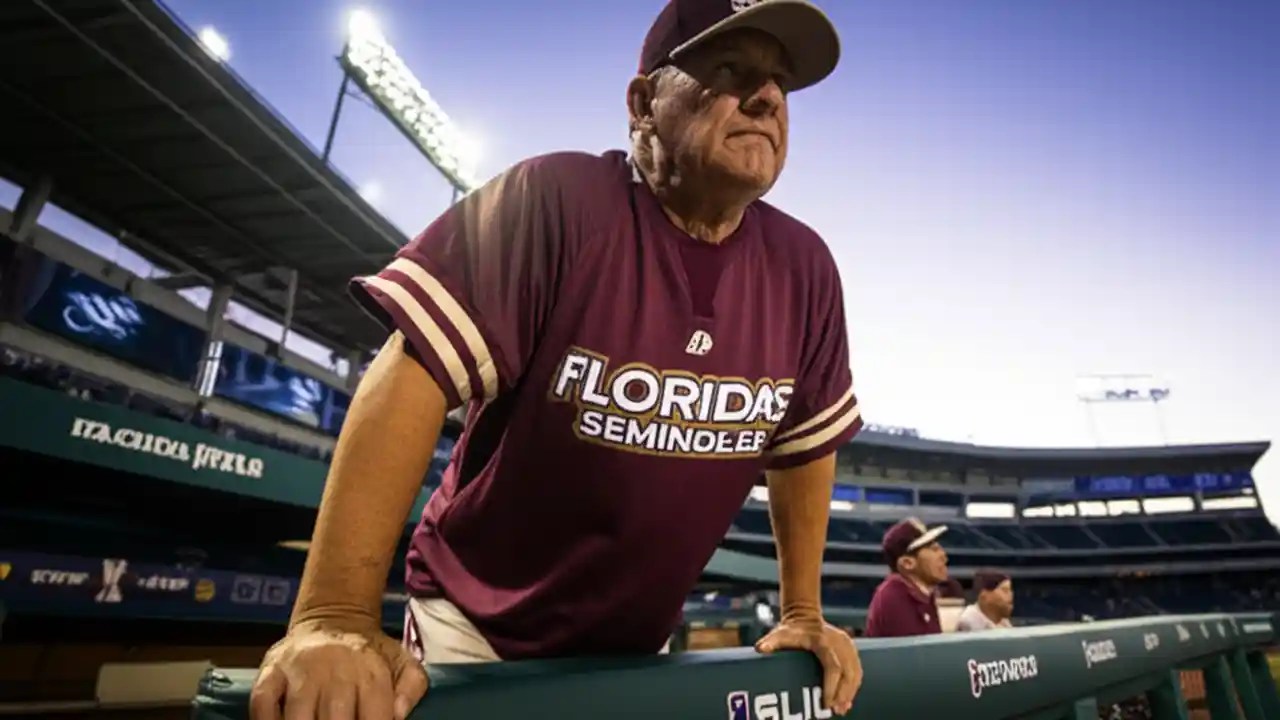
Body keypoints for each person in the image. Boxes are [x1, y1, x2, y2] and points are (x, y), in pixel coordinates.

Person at [250, 1, 865, 718]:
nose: (766, 97)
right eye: (731, 70)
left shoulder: (804, 266)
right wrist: (335, 616)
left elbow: (804, 445)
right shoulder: (555, 200)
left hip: (635, 647)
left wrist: (803, 609)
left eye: (780, 85)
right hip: (476, 631)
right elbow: (409, 371)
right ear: (643, 103)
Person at [863, 518, 949, 638]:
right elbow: (915, 654)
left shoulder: (924, 595)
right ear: (907, 563)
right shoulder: (892, 596)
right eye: (933, 549)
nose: (943, 556)